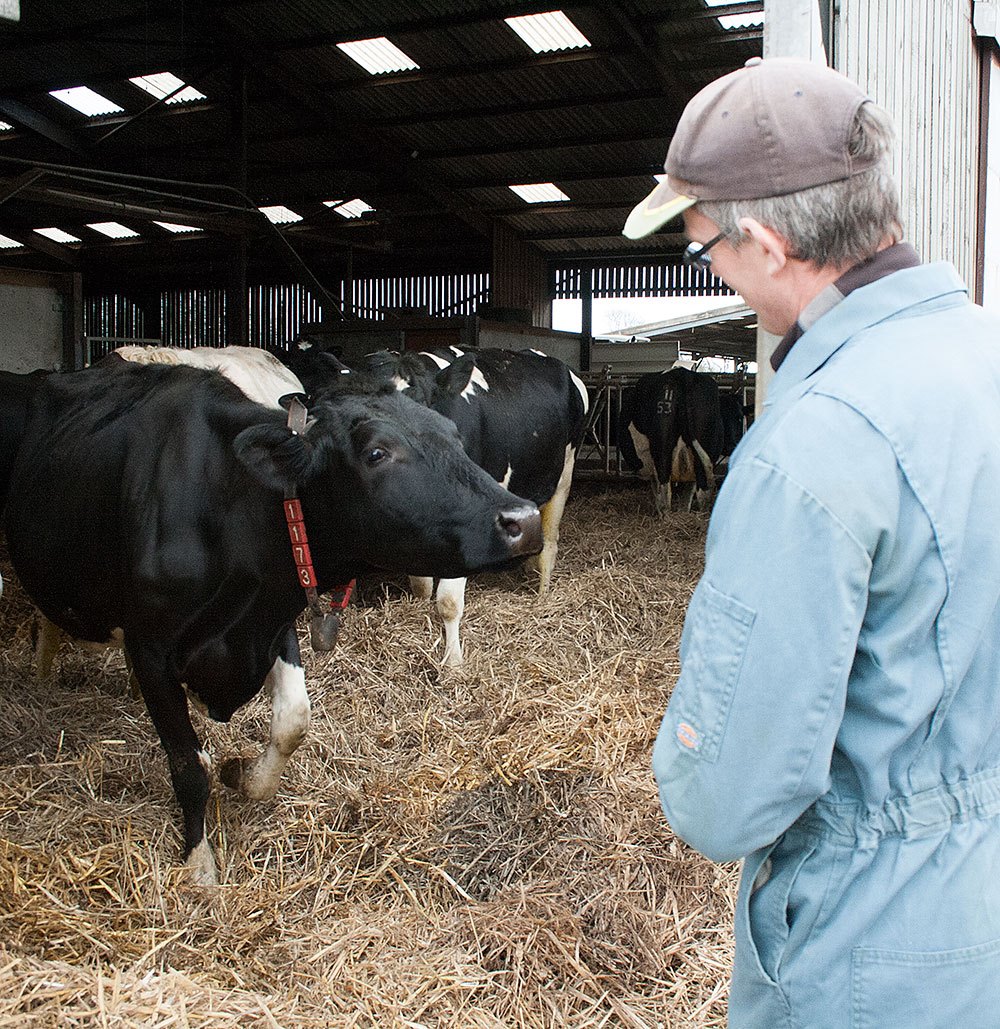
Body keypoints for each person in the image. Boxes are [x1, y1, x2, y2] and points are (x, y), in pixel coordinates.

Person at [624, 57, 1000, 1027]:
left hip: (876, 940)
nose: (710, 267)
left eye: (703, 243)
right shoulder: (983, 354)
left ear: (765, 241)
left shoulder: (814, 445)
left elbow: (726, 801)